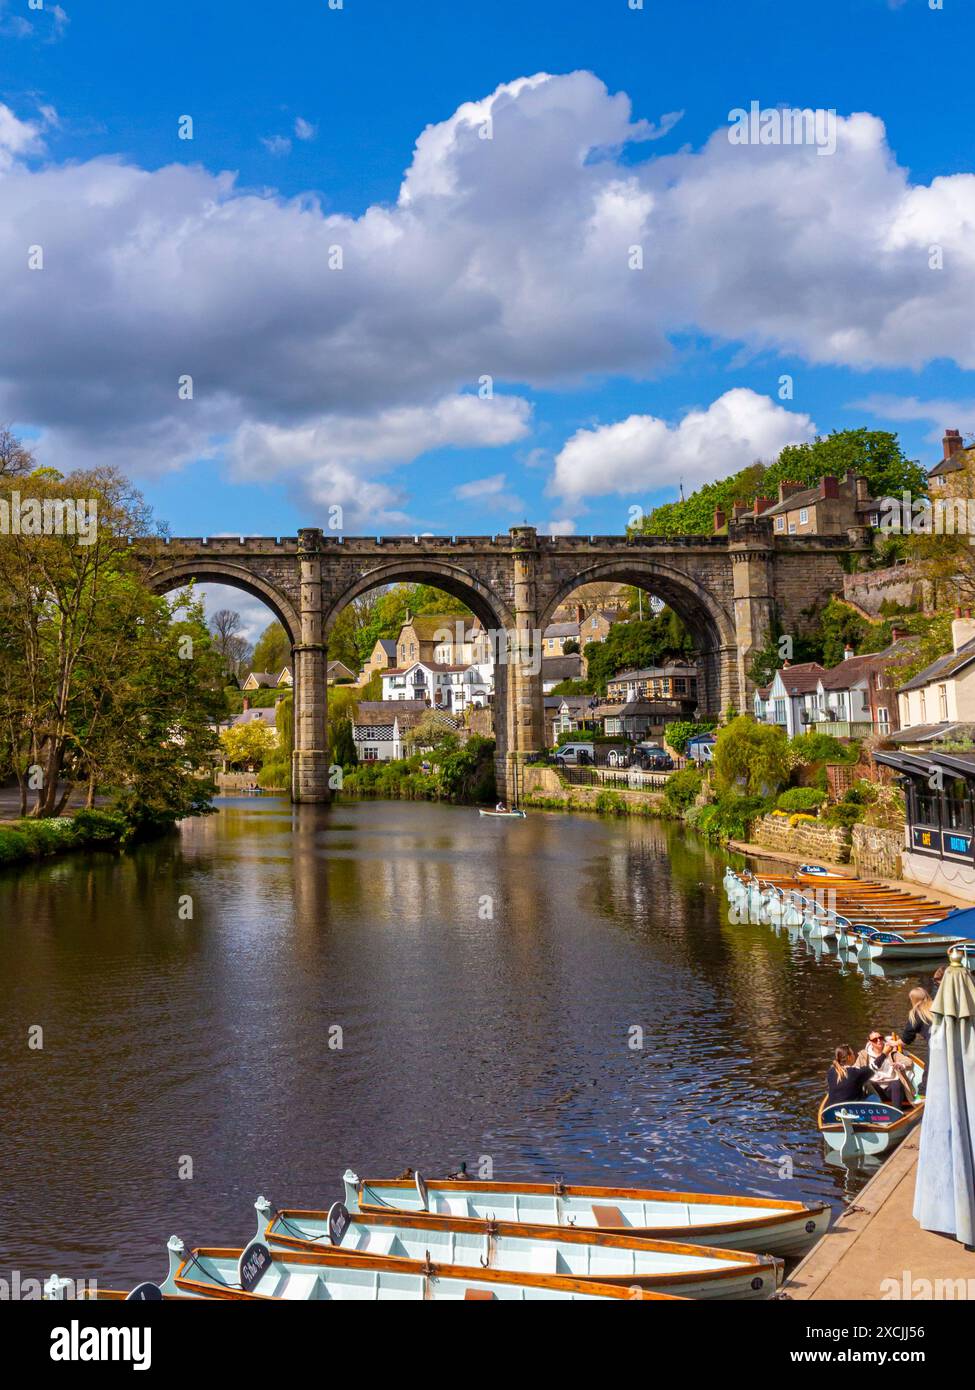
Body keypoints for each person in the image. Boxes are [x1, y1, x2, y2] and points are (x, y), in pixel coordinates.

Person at [857, 1032, 911, 1109]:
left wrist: (900, 1065)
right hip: (875, 1089)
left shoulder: (891, 1052)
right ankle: (873, 1111)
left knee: (896, 1083)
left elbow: (909, 1061)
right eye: (875, 1040)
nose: (879, 1040)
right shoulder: (864, 1055)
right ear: (870, 1042)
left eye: (880, 1038)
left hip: (891, 1088)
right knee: (867, 1083)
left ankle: (897, 1112)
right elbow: (855, 1068)